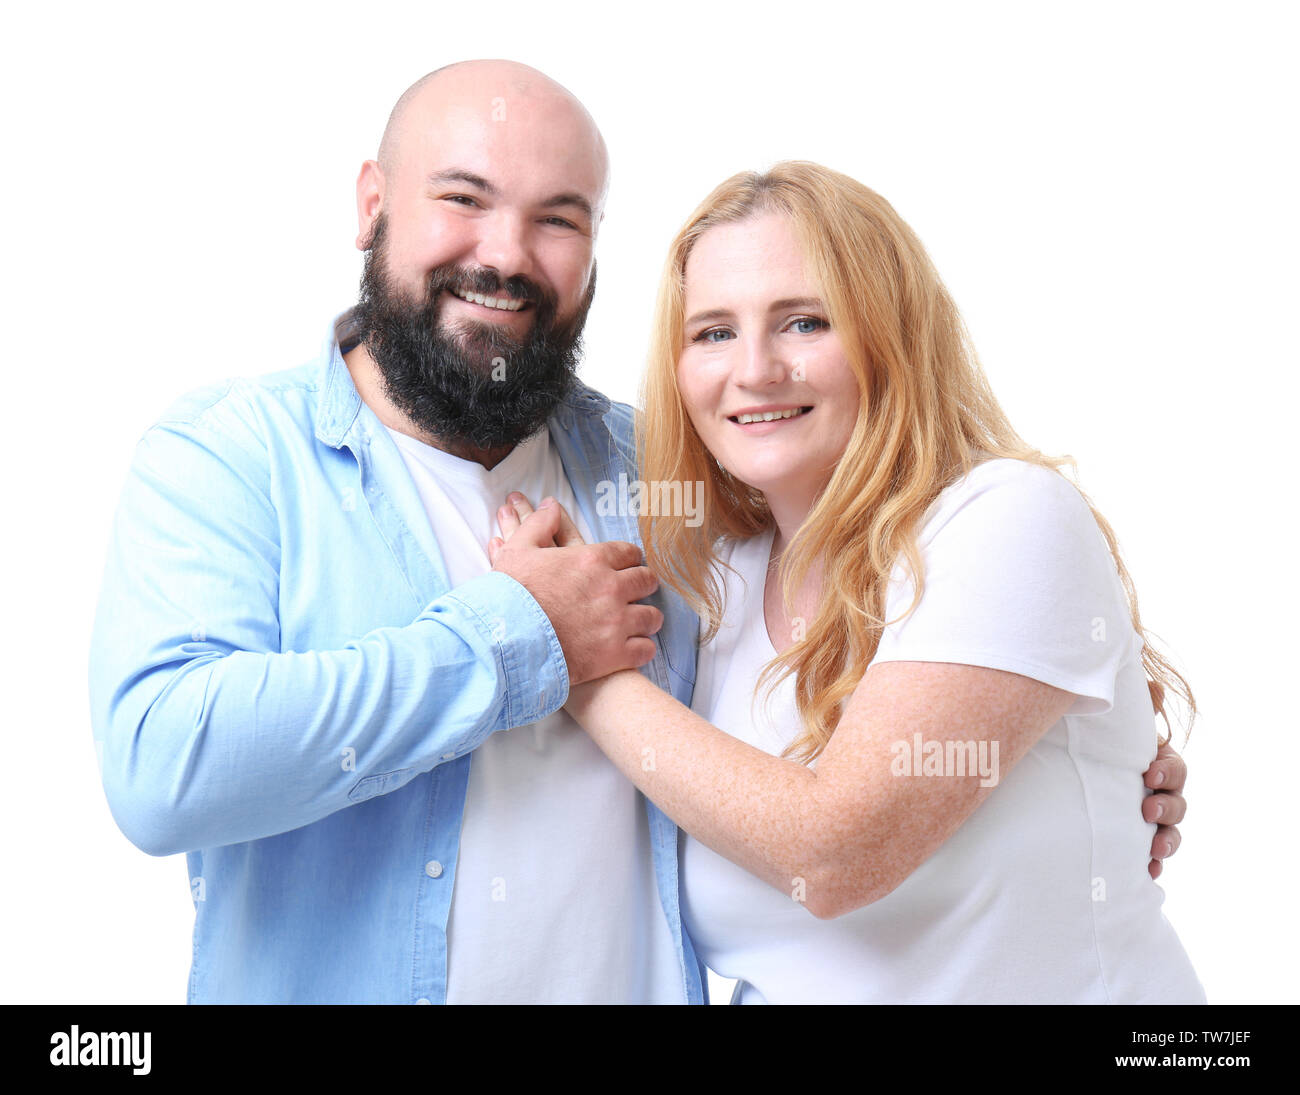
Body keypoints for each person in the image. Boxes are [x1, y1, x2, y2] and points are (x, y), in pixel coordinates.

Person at [87, 61, 1187, 1005]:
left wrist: (1083, 754)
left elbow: (877, 697)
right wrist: (520, 638)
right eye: (462, 198)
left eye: (558, 217)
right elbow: (163, 767)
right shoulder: (227, 459)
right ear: (372, 204)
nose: (505, 254)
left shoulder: (667, 481)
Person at [490, 161, 1204, 1003]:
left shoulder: (1004, 518)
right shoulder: (717, 583)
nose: (753, 369)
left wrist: (583, 661)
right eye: (713, 332)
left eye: (803, 322)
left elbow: (833, 855)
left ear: (888, 335)